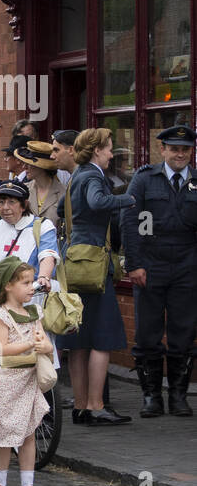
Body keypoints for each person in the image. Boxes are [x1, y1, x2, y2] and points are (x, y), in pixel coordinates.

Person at [59, 127, 136, 426]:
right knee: (102, 338)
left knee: (79, 341)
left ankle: (80, 405)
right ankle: (96, 405)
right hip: (93, 263)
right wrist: (128, 199)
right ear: (95, 151)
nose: (111, 153)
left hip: (76, 261)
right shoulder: (92, 175)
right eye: (108, 147)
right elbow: (98, 202)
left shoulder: (77, 174)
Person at [122, 124, 197, 418]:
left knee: (183, 332)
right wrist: (135, 264)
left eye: (186, 149)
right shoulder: (144, 180)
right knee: (148, 333)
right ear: (162, 150)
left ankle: (178, 396)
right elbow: (131, 224)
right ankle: (151, 396)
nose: (180, 154)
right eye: (174, 149)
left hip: (188, 266)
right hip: (150, 266)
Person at [0, 256, 53, 486]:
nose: (31, 287)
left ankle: (27, 485)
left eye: (31, 282)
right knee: (2, 434)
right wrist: (29, 344)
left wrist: (44, 345)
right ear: (8, 286)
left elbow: (44, 342)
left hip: (28, 379)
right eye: (25, 282)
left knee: (28, 433)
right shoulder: (0, 314)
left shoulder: (34, 312)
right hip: (5, 379)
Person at [15, 140, 66, 230]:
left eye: (29, 163)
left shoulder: (64, 192)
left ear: (42, 166)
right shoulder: (23, 190)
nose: (24, 167)